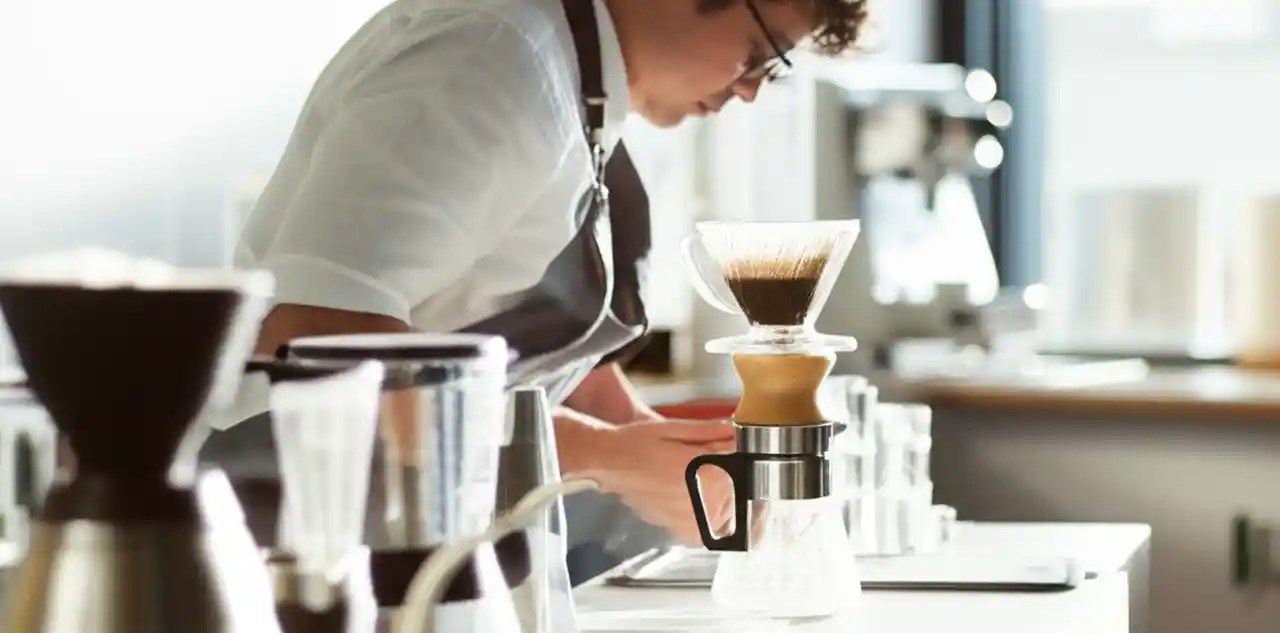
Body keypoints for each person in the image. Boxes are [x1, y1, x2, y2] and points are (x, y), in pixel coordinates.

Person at [219, 0, 869, 565]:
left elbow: (532, 332)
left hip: (421, 534)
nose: (750, 88)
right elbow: (318, 335)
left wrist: (657, 454)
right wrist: (605, 456)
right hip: (296, 535)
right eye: (758, 51)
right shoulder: (489, 61)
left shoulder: (576, 82)